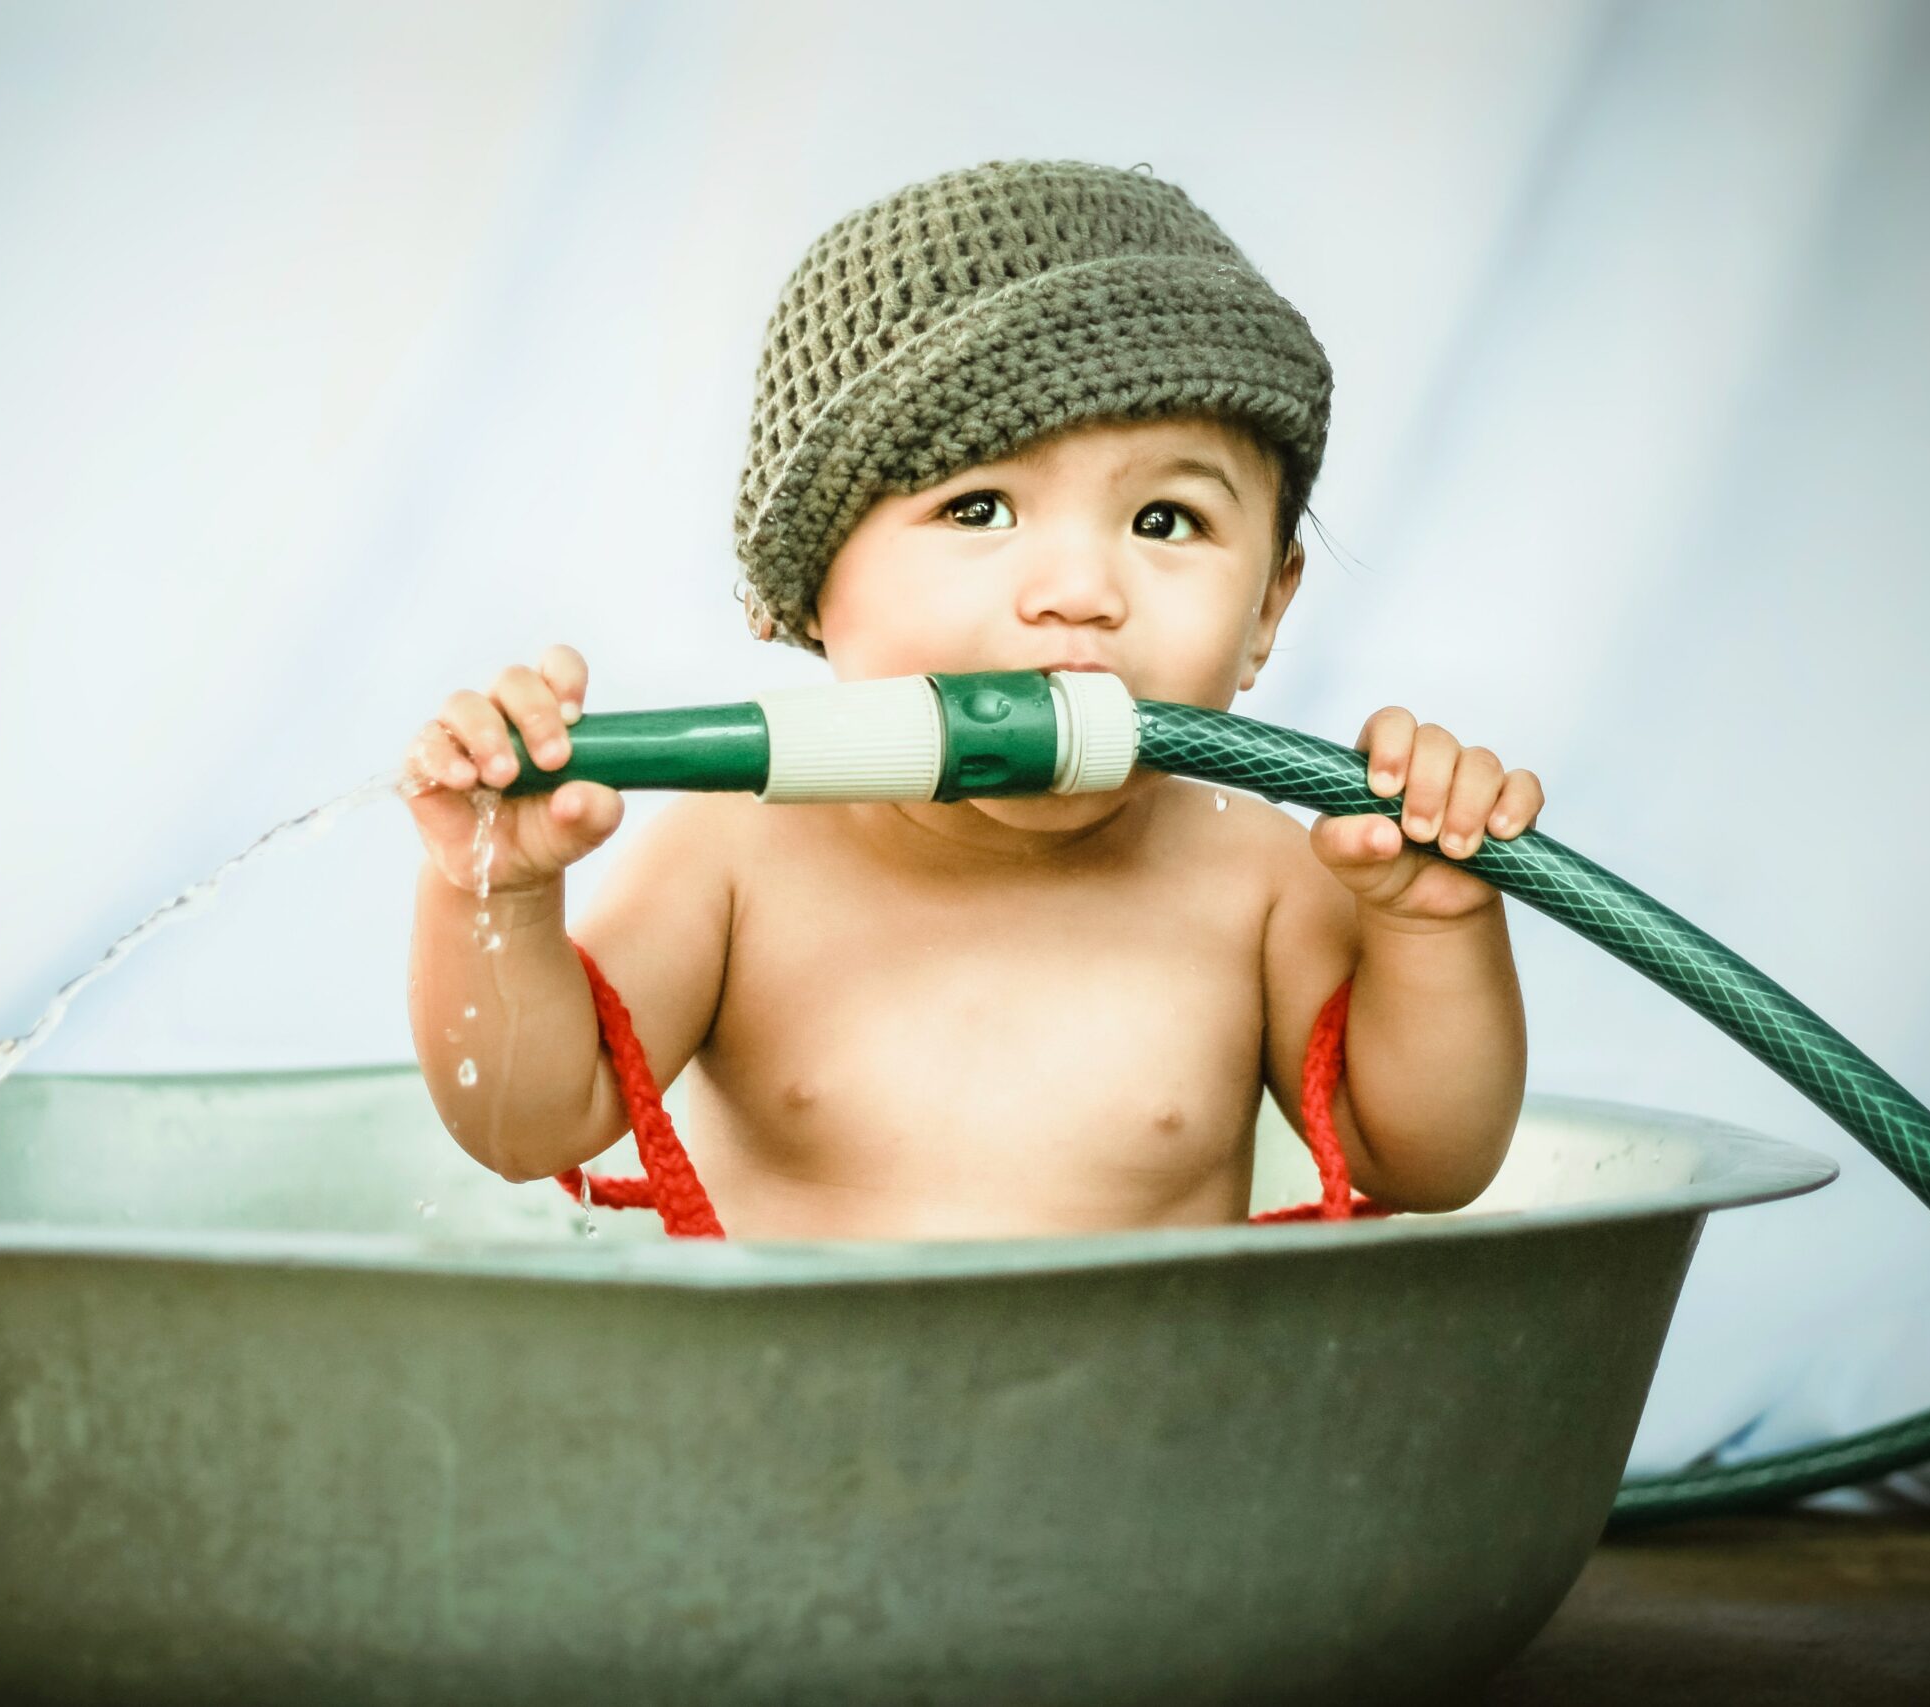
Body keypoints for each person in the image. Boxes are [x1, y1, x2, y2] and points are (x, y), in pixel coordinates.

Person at [402, 160, 1542, 1239]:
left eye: (1164, 523)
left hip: (1155, 1434)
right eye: (979, 509)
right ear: (810, 586)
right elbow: (525, 1126)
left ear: (1265, 613)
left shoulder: (1256, 875)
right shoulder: (732, 854)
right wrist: (490, 889)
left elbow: (1421, 1167)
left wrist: (1429, 925)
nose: (1080, 595)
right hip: (784, 1432)